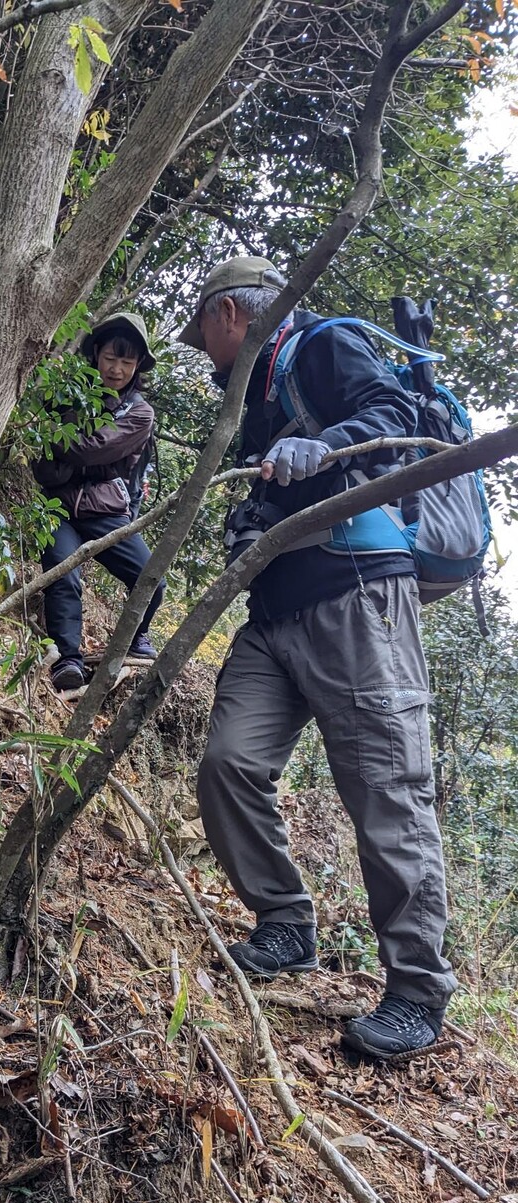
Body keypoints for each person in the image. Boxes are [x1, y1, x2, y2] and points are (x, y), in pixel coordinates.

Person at [178, 256, 456, 1059]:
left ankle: (415, 991)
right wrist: (250, 518)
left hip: (355, 595)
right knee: (228, 761)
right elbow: (273, 490)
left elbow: (394, 417)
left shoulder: (323, 345)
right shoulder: (255, 393)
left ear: (231, 313)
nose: (202, 350)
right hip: (276, 611)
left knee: (385, 788)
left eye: (202, 332)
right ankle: (284, 922)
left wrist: (326, 445)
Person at [32, 312, 165, 693]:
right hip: (58, 507)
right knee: (62, 573)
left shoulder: (139, 412)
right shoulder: (66, 392)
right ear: (96, 353)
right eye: (111, 357)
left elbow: (93, 448)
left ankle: (133, 638)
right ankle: (67, 661)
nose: (117, 369)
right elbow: (44, 458)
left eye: (127, 361)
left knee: (150, 580)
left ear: (138, 365)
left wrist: (56, 437)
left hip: (107, 509)